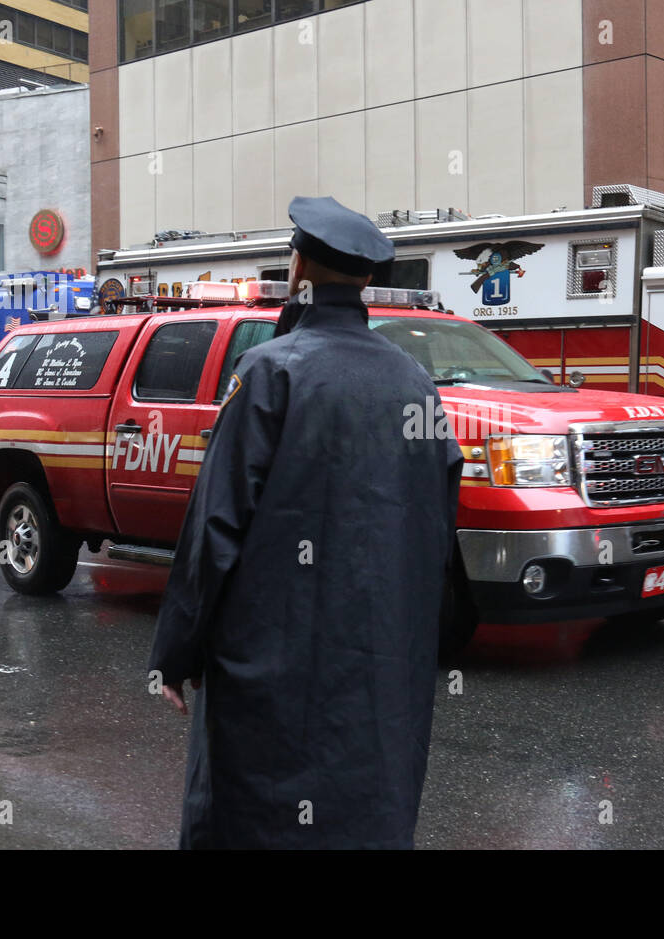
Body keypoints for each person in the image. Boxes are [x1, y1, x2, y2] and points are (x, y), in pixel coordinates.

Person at [149, 195, 464, 849]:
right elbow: (437, 522)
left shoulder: (268, 371)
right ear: (370, 279)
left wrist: (176, 651)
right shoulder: (415, 385)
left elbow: (215, 524)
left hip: (269, 659)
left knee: (251, 811)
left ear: (297, 268)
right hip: (381, 661)